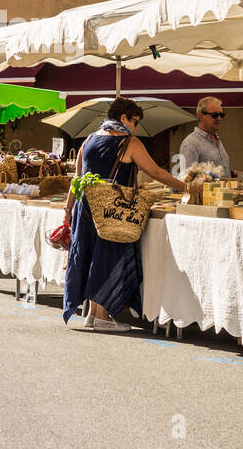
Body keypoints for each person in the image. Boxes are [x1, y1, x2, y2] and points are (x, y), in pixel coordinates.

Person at [64, 97, 186, 333]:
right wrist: (186, 187)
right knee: (107, 256)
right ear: (123, 118)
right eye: (135, 121)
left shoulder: (88, 139)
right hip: (113, 209)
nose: (136, 127)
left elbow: (76, 179)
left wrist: (67, 210)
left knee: (90, 256)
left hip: (86, 206)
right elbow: (156, 172)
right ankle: (102, 317)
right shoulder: (129, 143)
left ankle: (91, 314)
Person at [178, 96, 233, 175]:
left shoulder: (216, 139)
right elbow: (188, 179)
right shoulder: (191, 144)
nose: (219, 118)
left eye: (222, 115)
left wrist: (230, 173)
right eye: (215, 115)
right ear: (201, 116)